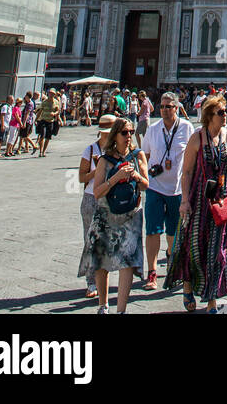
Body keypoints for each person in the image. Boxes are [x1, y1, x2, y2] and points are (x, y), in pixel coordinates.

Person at [166, 93, 227, 312]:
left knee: (218, 250)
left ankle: (212, 300)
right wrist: (184, 201)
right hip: (199, 201)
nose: (226, 115)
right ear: (209, 115)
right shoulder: (197, 138)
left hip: (223, 201)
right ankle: (188, 285)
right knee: (194, 247)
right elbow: (187, 172)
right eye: (221, 112)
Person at [79, 117, 148, 313]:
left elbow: (146, 185)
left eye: (131, 132)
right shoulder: (104, 160)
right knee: (102, 261)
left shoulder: (138, 155)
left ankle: (121, 309)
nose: (128, 136)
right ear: (115, 135)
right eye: (124, 133)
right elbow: (97, 191)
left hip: (130, 215)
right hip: (105, 215)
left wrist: (135, 176)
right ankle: (103, 304)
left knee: (127, 261)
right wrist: (116, 178)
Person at [140, 92, 195, 290]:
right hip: (154, 188)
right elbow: (143, 155)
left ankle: (172, 261)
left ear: (177, 108)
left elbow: (194, 156)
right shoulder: (153, 129)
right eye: (162, 106)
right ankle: (152, 272)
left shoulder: (187, 129)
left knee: (173, 232)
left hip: (178, 190)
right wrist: (143, 178)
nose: (164, 110)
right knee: (152, 230)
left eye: (168, 106)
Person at [78, 113, 115, 299]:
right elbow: (81, 178)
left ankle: (102, 279)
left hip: (111, 201)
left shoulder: (118, 151)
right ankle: (91, 281)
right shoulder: (90, 150)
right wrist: (97, 170)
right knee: (90, 241)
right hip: (91, 198)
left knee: (108, 243)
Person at [36, 88, 61, 157]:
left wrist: (54, 113)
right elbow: (40, 111)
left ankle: (44, 151)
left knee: (48, 137)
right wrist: (36, 120)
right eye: (50, 93)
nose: (51, 95)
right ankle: (40, 151)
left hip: (50, 121)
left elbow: (58, 111)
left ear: (54, 94)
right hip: (43, 120)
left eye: (52, 94)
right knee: (42, 136)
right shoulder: (44, 102)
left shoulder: (56, 102)